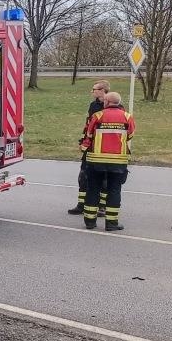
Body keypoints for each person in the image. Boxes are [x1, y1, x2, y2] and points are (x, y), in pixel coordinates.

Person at [80, 91, 134, 231]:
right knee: (114, 191)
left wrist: (83, 147)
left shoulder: (97, 116)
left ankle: (90, 222)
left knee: (93, 189)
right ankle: (111, 223)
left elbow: (89, 134)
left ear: (107, 102)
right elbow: (130, 135)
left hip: (96, 161)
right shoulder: (127, 117)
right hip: (118, 162)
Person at [68, 80, 110, 215]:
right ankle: (81, 204)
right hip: (90, 147)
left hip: (105, 149)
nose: (92, 92)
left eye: (94, 89)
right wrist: (84, 141)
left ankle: (102, 207)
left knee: (104, 178)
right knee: (83, 176)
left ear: (103, 90)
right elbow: (88, 126)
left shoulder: (112, 106)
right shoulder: (93, 105)